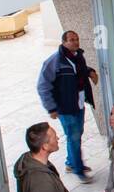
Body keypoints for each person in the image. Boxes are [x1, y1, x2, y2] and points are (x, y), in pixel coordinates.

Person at [37, 30, 98, 183]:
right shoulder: (54, 61)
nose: (75, 42)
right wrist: (51, 108)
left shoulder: (78, 56)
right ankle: (79, 170)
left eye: (77, 39)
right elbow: (42, 86)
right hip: (65, 108)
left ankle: (71, 163)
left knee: (77, 134)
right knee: (74, 137)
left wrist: (90, 71)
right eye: (71, 40)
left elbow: (79, 70)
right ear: (64, 42)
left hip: (78, 104)